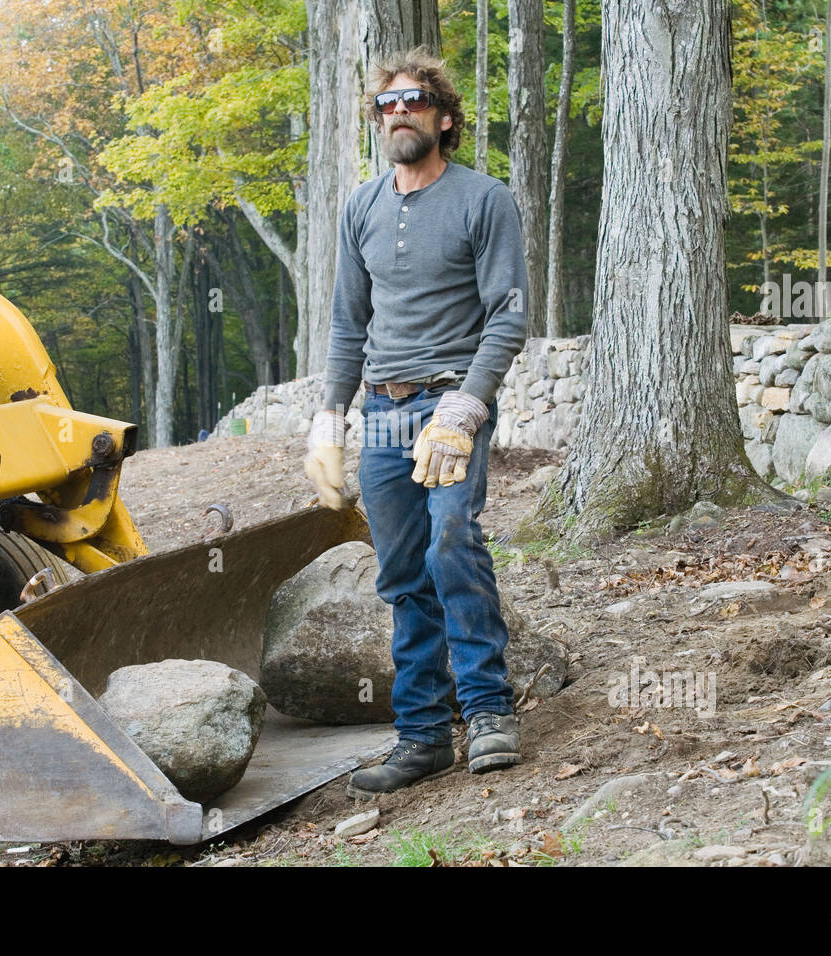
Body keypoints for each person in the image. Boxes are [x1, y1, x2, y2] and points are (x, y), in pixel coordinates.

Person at [303, 47, 529, 797]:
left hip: (449, 400)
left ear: (444, 117)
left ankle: (490, 710)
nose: (397, 112)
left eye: (412, 101)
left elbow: (507, 318)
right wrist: (330, 418)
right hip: (384, 411)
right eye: (385, 105)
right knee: (401, 572)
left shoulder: (484, 199)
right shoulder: (362, 207)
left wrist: (465, 410)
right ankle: (424, 735)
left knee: (453, 541)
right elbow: (346, 322)